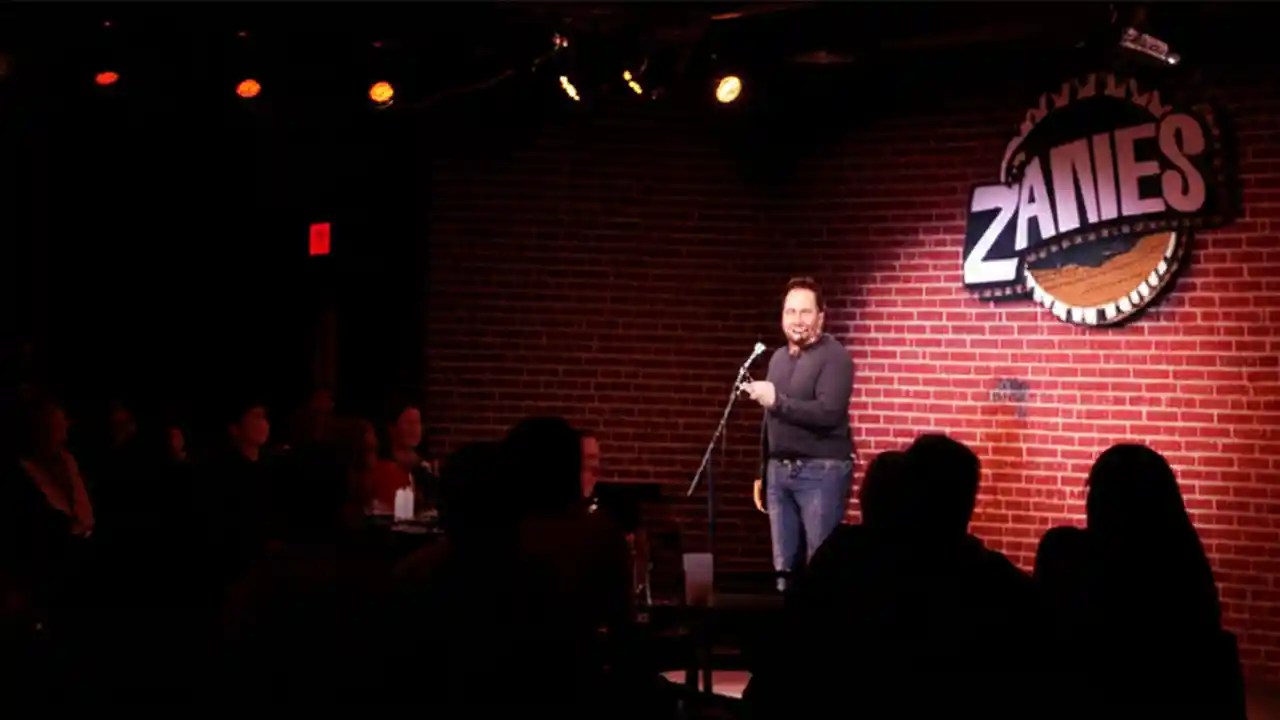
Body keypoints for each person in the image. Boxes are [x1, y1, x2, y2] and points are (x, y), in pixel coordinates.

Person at [742, 276, 854, 590]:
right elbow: (770, 420)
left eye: (805, 312)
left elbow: (828, 413)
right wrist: (761, 471)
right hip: (779, 473)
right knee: (783, 570)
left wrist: (777, 401)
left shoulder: (835, 357)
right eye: (790, 312)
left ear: (821, 316)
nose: (797, 320)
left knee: (821, 566)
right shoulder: (778, 358)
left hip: (821, 472)